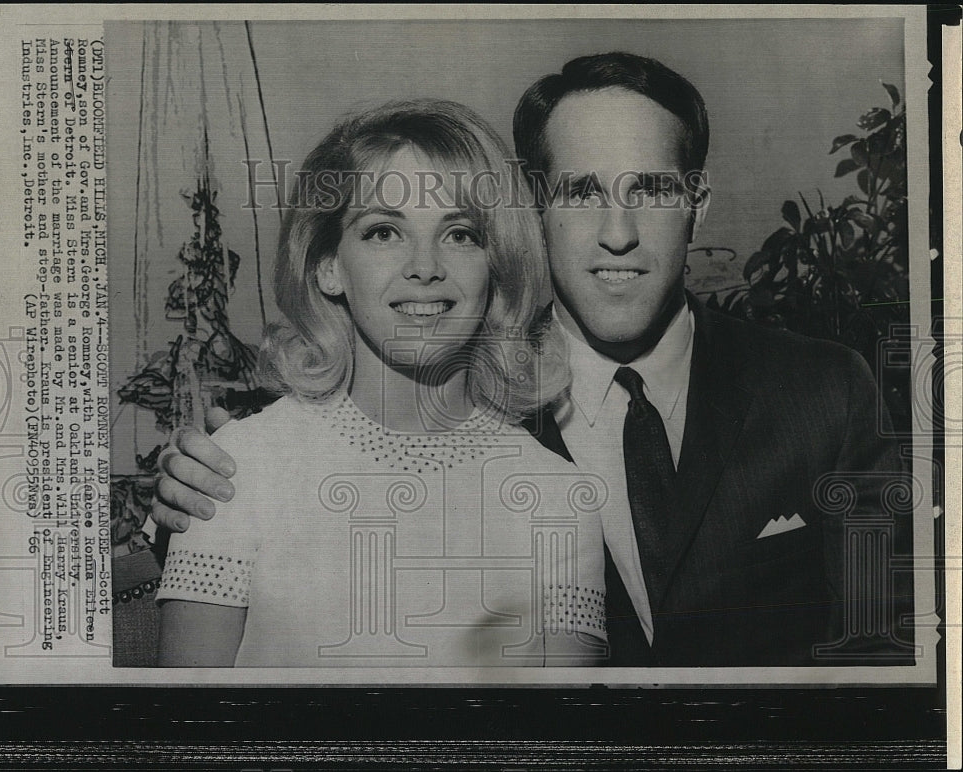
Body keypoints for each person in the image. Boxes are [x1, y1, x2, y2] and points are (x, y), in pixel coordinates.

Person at [152, 54, 914, 667]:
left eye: (649, 189)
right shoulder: (473, 390)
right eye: (581, 191)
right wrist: (190, 501)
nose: (619, 233)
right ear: (536, 207)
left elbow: (895, 654)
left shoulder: (824, 391)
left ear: (699, 204)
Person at [154, 99, 609, 667]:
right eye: (383, 232)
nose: (424, 267)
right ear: (328, 266)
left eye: (461, 234)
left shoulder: (560, 499)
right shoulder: (233, 470)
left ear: (499, 264)